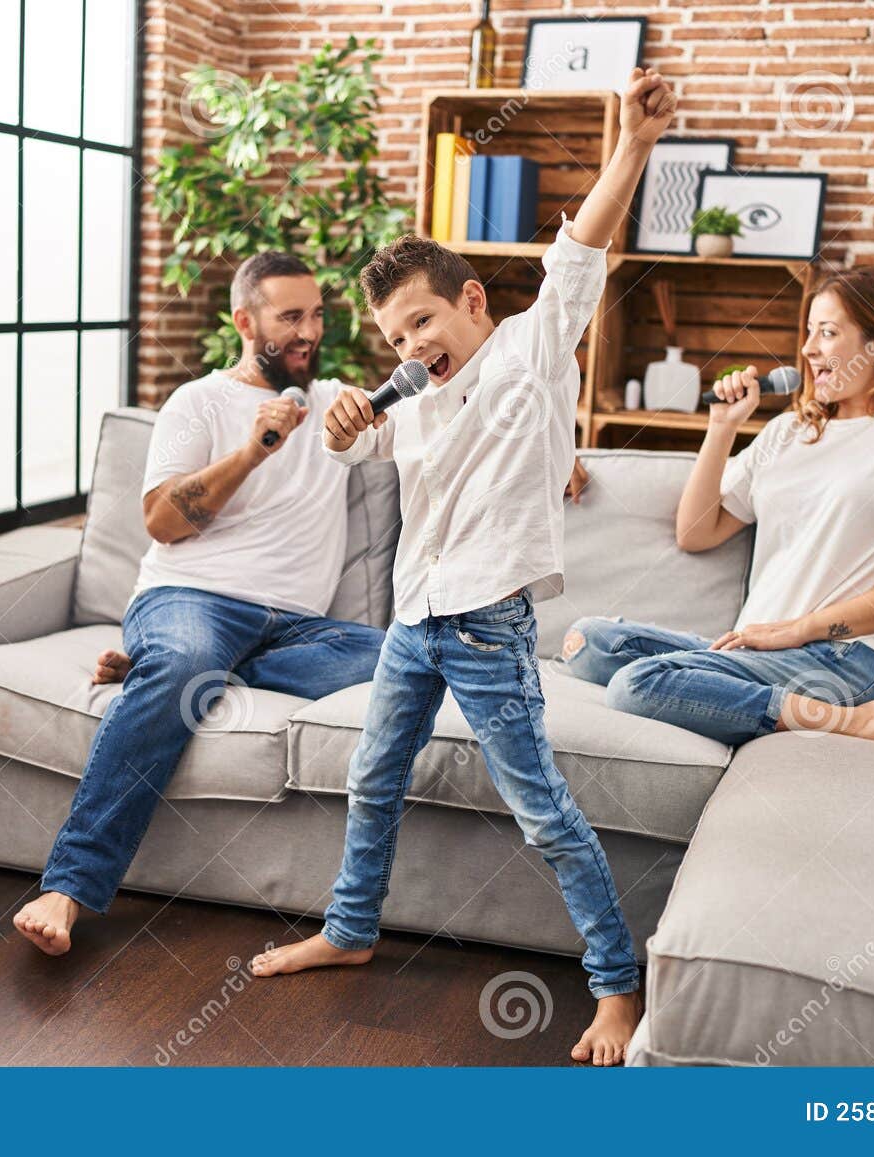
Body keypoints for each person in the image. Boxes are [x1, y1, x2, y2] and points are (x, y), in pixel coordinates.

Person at [248, 68, 681, 1067]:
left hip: (487, 626)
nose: (410, 345)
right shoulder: (411, 404)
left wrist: (634, 143)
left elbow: (577, 255)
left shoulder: (531, 355)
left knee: (541, 811)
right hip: (414, 621)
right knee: (372, 774)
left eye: (423, 324)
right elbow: (353, 449)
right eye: (395, 337)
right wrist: (348, 420)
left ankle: (616, 987)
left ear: (472, 300)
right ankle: (351, 929)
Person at [13, 252, 388, 955]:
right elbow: (161, 521)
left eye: (316, 315)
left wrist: (548, 449)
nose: (309, 331)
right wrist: (255, 449)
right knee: (186, 655)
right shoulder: (201, 402)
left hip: (297, 630)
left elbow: (443, 418)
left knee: (400, 652)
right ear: (246, 322)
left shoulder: (340, 404)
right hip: (192, 601)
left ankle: (172, 673)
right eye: (289, 318)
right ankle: (66, 889)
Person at [562, 263, 874, 754]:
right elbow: (696, 533)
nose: (808, 349)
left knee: (635, 684)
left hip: (840, 660)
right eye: (809, 332)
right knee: (588, 641)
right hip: (752, 647)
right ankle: (758, 696)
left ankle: (855, 720)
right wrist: (722, 426)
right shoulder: (788, 432)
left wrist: (797, 629)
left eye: (827, 333)